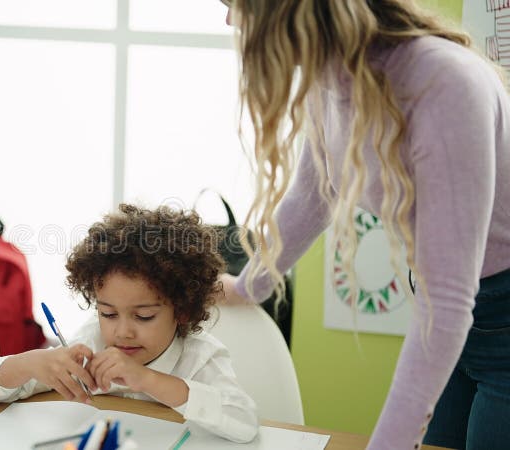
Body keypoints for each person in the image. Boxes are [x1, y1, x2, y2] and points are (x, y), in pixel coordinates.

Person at [217, 1, 510, 449]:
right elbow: (315, 195)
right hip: (457, 320)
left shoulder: (444, 84)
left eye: (238, 5)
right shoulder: (328, 75)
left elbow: (448, 302)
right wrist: (246, 286)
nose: (231, 20)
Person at [0, 204, 258, 442]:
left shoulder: (201, 356)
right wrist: (32, 363)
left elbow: (245, 423)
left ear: (182, 310)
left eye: (144, 316)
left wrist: (147, 379)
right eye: (108, 314)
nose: (121, 332)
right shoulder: (91, 341)